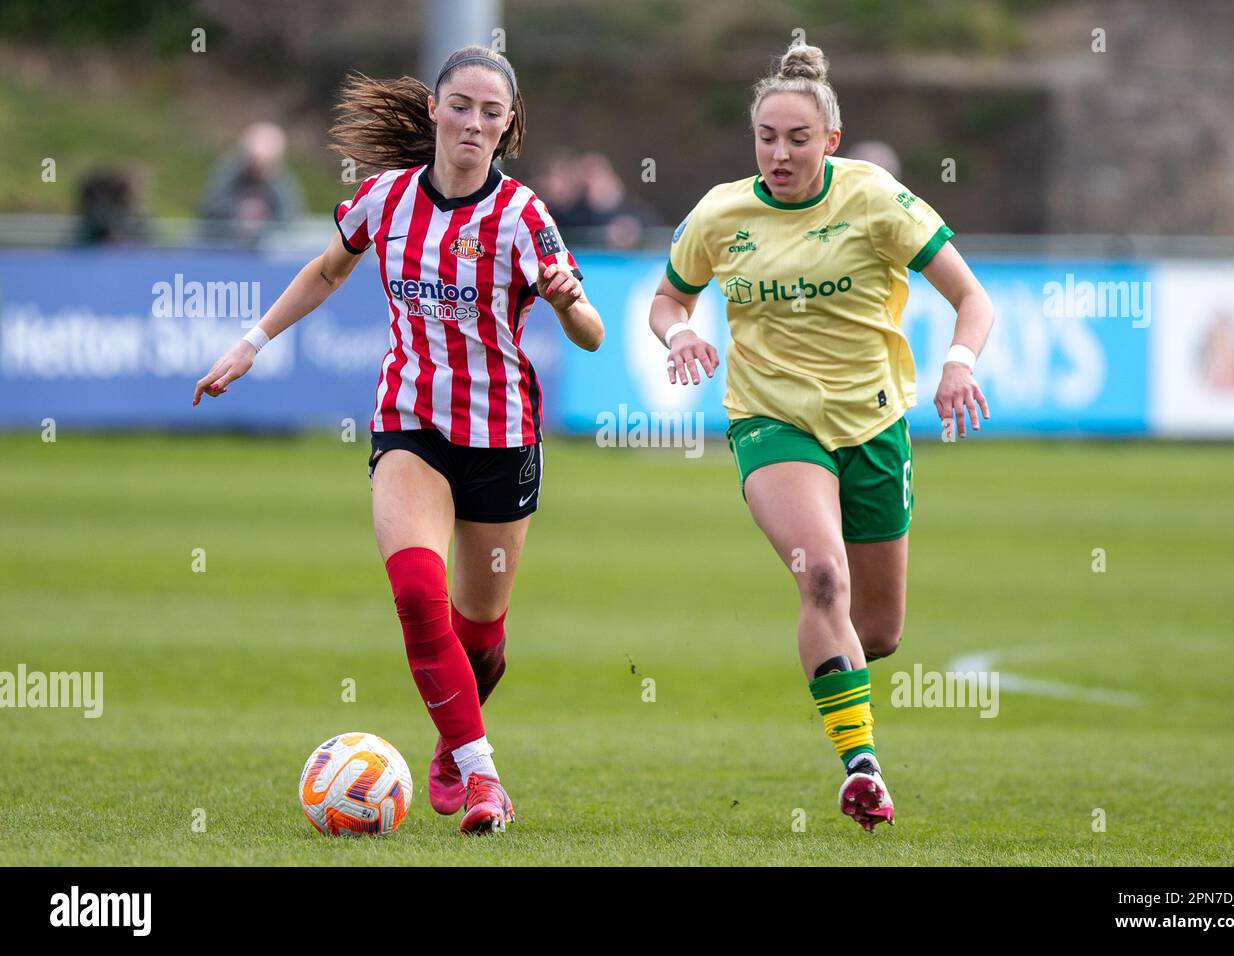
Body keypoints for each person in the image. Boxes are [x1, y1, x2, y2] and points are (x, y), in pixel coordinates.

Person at [193, 47, 604, 835]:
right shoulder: (384, 198)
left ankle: (454, 743)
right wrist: (251, 342)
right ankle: (484, 779)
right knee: (418, 596)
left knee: (480, 635)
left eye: (491, 112)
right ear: (434, 110)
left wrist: (566, 301)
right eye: (461, 105)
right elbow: (326, 270)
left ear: (507, 125)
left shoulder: (523, 216)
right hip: (410, 425)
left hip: (502, 439)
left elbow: (591, 333)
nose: (474, 122)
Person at [647, 41, 994, 832]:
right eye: (766, 137)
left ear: (830, 140)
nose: (779, 153)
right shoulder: (721, 214)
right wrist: (680, 334)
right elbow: (668, 300)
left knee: (878, 632)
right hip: (771, 420)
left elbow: (972, 298)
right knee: (824, 580)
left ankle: (833, 674)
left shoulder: (876, 199)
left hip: (872, 424)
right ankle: (862, 769)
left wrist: (959, 365)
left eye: (797, 138)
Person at [199, 121, 304, 244]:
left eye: (264, 163)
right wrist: (238, 212)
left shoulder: (282, 183)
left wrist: (264, 220)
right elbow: (209, 210)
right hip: (223, 244)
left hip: (265, 248)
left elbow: (290, 220)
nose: (257, 168)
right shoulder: (228, 173)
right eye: (253, 160)